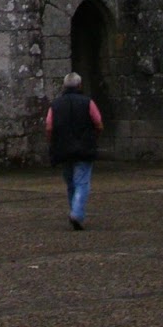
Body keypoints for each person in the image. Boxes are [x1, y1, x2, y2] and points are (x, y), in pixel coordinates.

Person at [46, 72, 103, 230]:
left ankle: (74, 210)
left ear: (64, 86)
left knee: (71, 183)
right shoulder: (87, 102)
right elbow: (98, 123)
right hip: (84, 147)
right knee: (82, 182)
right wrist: (94, 137)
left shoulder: (55, 105)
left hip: (63, 149)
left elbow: (49, 127)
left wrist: (53, 142)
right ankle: (76, 213)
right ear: (79, 85)